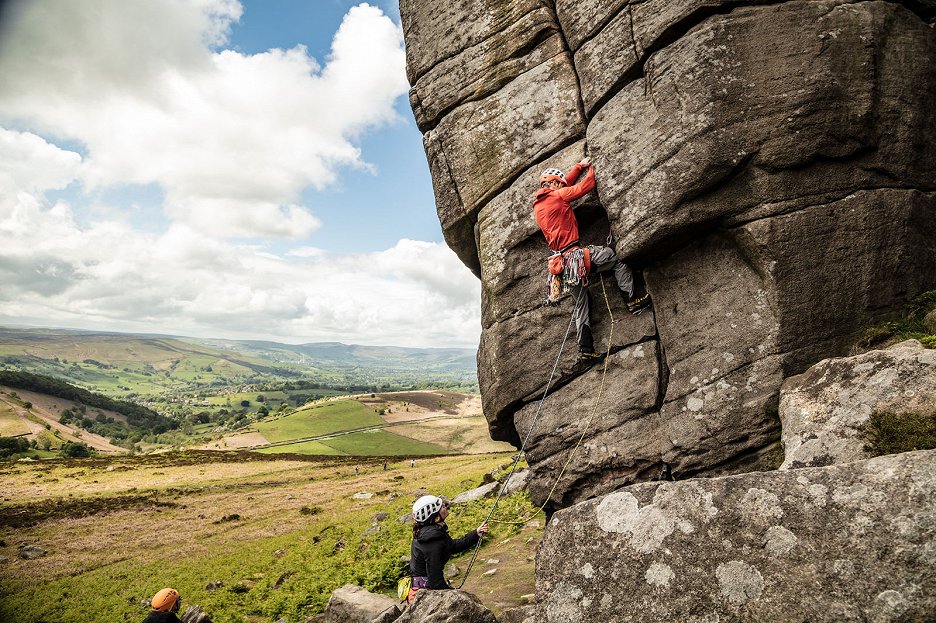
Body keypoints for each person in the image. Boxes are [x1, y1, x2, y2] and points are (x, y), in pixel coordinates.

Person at [533, 156, 650, 364]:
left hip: (562, 266)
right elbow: (586, 186)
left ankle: (585, 350)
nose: (561, 185)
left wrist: (578, 167)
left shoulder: (539, 204)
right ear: (551, 184)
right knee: (614, 259)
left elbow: (565, 184)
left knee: (581, 302)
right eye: (558, 183)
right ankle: (631, 300)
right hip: (576, 257)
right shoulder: (558, 196)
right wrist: (595, 164)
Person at [407, 495, 488, 603]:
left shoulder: (429, 532)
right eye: (442, 506)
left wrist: (476, 533)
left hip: (423, 589)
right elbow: (435, 581)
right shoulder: (432, 541)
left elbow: (452, 546)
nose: (445, 506)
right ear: (436, 518)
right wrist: (452, 594)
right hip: (424, 594)